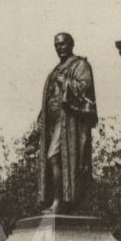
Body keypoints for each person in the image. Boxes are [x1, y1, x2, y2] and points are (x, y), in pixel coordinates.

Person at [36, 32, 98, 213]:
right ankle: (54, 200)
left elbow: (86, 89)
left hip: (69, 123)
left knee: (53, 156)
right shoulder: (55, 69)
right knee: (50, 160)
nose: (59, 48)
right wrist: (40, 122)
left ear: (71, 44)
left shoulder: (80, 65)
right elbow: (49, 97)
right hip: (53, 121)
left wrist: (66, 82)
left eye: (62, 44)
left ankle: (59, 202)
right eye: (56, 45)